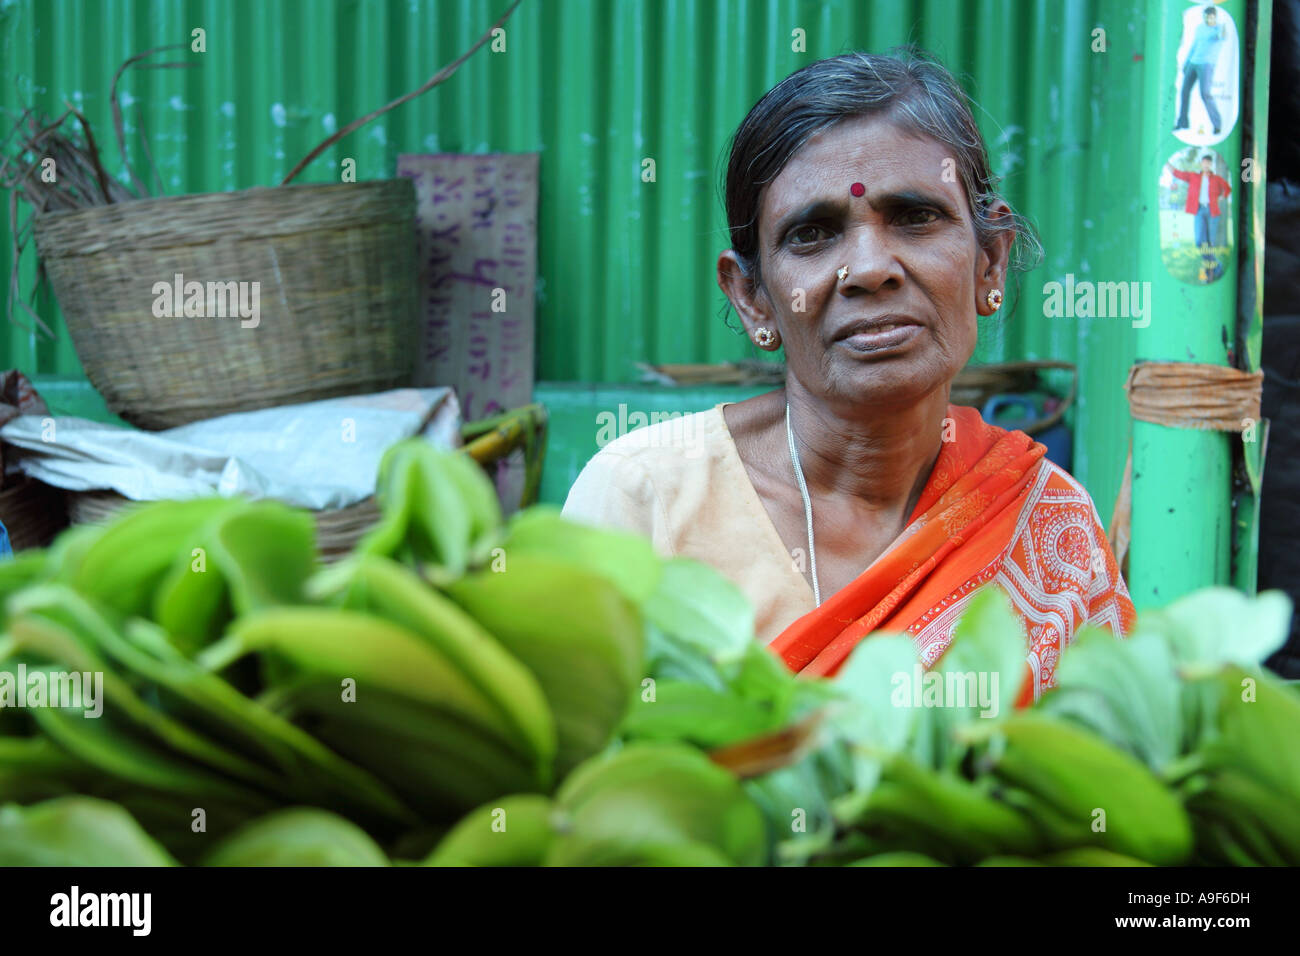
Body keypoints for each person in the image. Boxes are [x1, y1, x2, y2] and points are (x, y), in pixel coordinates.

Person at [562, 49, 1135, 704]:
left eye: (917, 217)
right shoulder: (646, 501)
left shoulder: (1048, 527)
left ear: (990, 266)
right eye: (812, 233)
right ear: (752, 297)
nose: (868, 268)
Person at [1167, 154, 1232, 280]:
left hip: (1212, 211)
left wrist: (1221, 197)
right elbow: (1177, 173)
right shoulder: (1194, 176)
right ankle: (1217, 267)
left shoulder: (1217, 179)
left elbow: (1227, 189)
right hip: (1199, 210)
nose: (1206, 165)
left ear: (1211, 164)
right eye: (1204, 162)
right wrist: (1167, 164)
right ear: (1201, 164)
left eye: (1208, 162)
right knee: (1199, 242)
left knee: (1209, 243)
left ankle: (1210, 273)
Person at [1174, 5, 1227, 134]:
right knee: (1184, 91)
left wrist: (1221, 29)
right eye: (1207, 16)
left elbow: (1221, 36)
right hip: (1193, 62)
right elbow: (1194, 45)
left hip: (1207, 65)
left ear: (1215, 16)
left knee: (1205, 94)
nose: (1209, 19)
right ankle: (1183, 122)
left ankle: (1217, 124)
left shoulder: (1219, 29)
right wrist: (1186, 62)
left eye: (1212, 16)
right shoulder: (1200, 28)